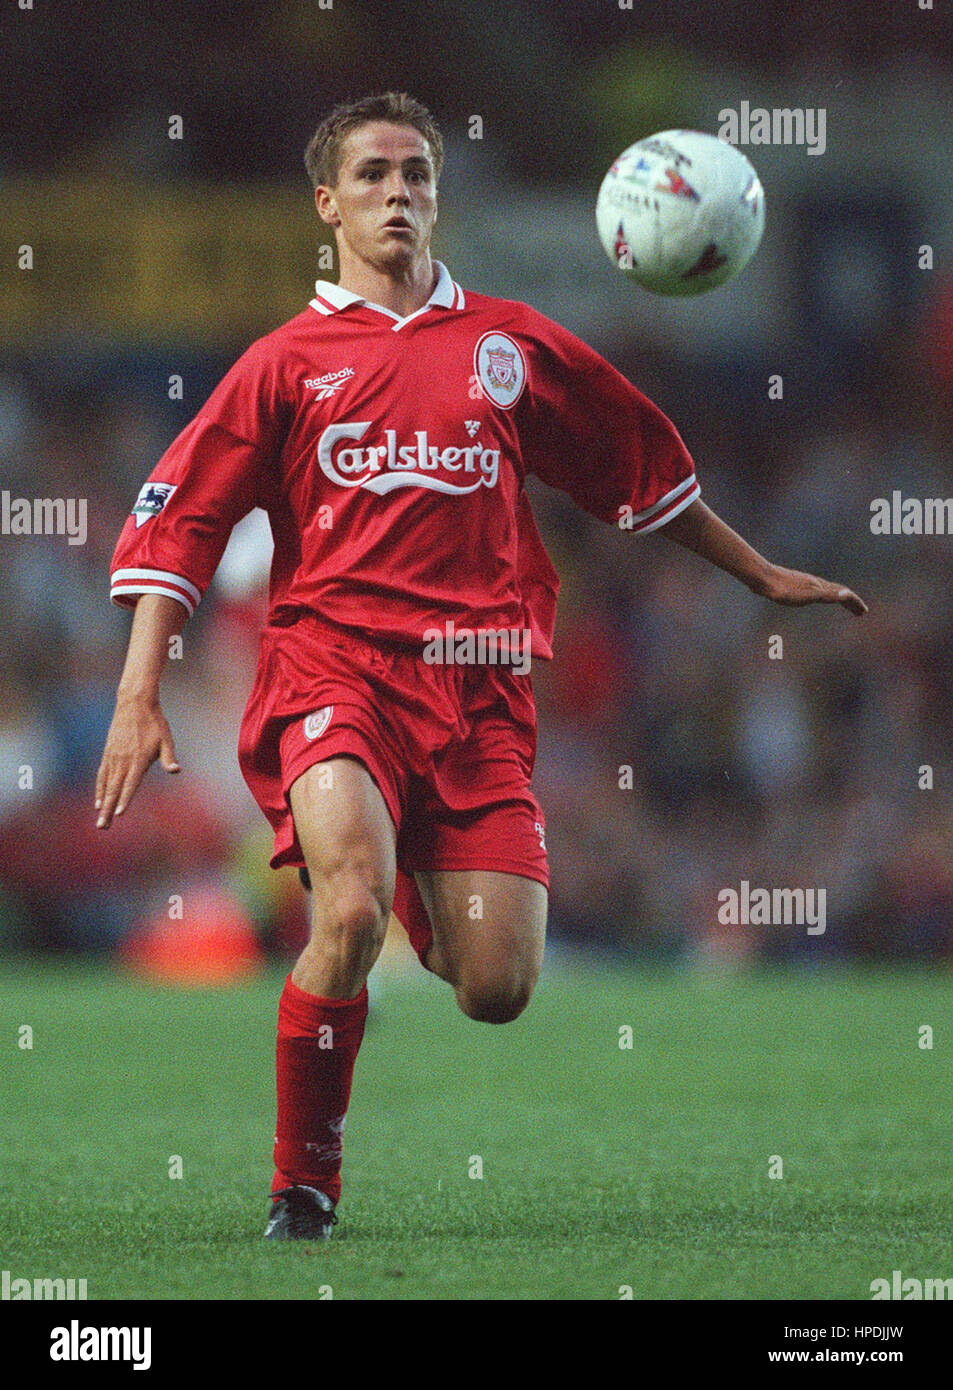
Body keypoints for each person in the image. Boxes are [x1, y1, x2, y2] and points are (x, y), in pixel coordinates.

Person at [95, 92, 866, 1240]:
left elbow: (632, 466)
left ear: (436, 197)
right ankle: (302, 1182)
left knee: (494, 988)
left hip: (480, 698)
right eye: (370, 175)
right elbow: (182, 523)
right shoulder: (284, 363)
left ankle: (408, 867)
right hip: (332, 675)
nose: (396, 193)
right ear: (328, 204)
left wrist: (755, 575)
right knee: (346, 916)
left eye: (415, 174)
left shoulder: (509, 346)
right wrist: (136, 692)